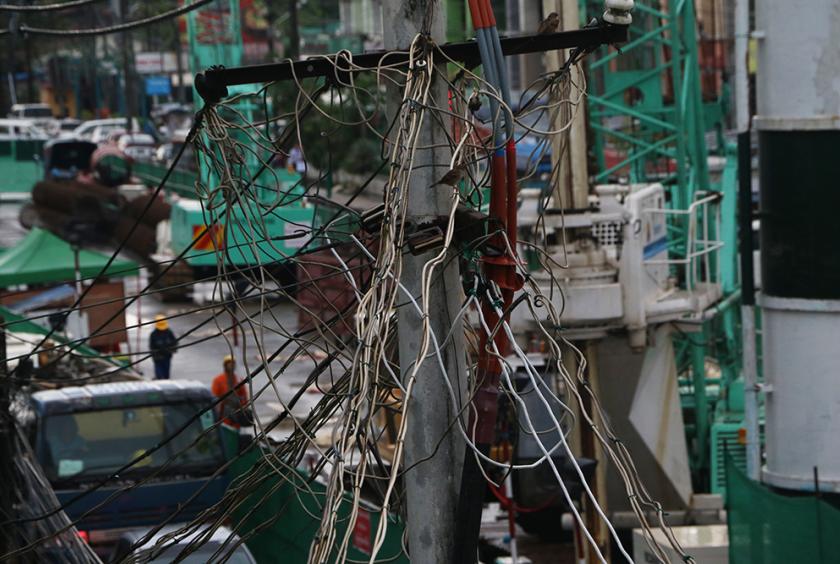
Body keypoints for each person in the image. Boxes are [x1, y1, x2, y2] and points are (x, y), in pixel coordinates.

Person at [211, 355, 251, 428]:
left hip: (236, 411)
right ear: (225, 365)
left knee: (236, 428)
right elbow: (214, 397)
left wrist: (243, 409)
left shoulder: (239, 380)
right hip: (223, 411)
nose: (231, 365)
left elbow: (244, 396)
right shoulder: (218, 380)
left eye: (233, 363)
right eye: (229, 363)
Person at [149, 314, 177, 380]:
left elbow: (175, 342)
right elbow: (151, 346)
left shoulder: (169, 332)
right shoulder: (153, 334)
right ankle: (158, 379)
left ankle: (166, 380)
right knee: (159, 375)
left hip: (167, 356)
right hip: (158, 358)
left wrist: (173, 349)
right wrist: (154, 355)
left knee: (166, 374)